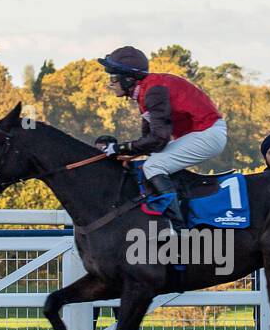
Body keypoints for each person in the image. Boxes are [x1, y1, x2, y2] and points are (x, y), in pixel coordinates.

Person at [93, 46, 226, 230]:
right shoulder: (146, 90)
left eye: (114, 78)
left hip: (207, 132)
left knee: (153, 165)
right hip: (203, 133)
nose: (111, 84)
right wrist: (124, 152)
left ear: (129, 78)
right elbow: (151, 142)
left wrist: (119, 148)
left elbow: (158, 139)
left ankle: (176, 227)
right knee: (154, 161)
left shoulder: (153, 91)